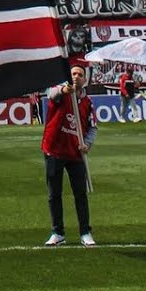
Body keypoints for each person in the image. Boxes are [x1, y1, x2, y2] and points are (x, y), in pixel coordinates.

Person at [41, 64, 98, 247]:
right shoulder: (60, 93)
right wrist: (65, 90)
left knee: (80, 194)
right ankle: (57, 232)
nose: (76, 77)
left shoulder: (88, 103)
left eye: (79, 74)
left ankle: (85, 232)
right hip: (54, 150)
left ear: (84, 79)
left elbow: (93, 127)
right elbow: (51, 93)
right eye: (73, 73)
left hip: (75, 153)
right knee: (54, 194)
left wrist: (87, 144)